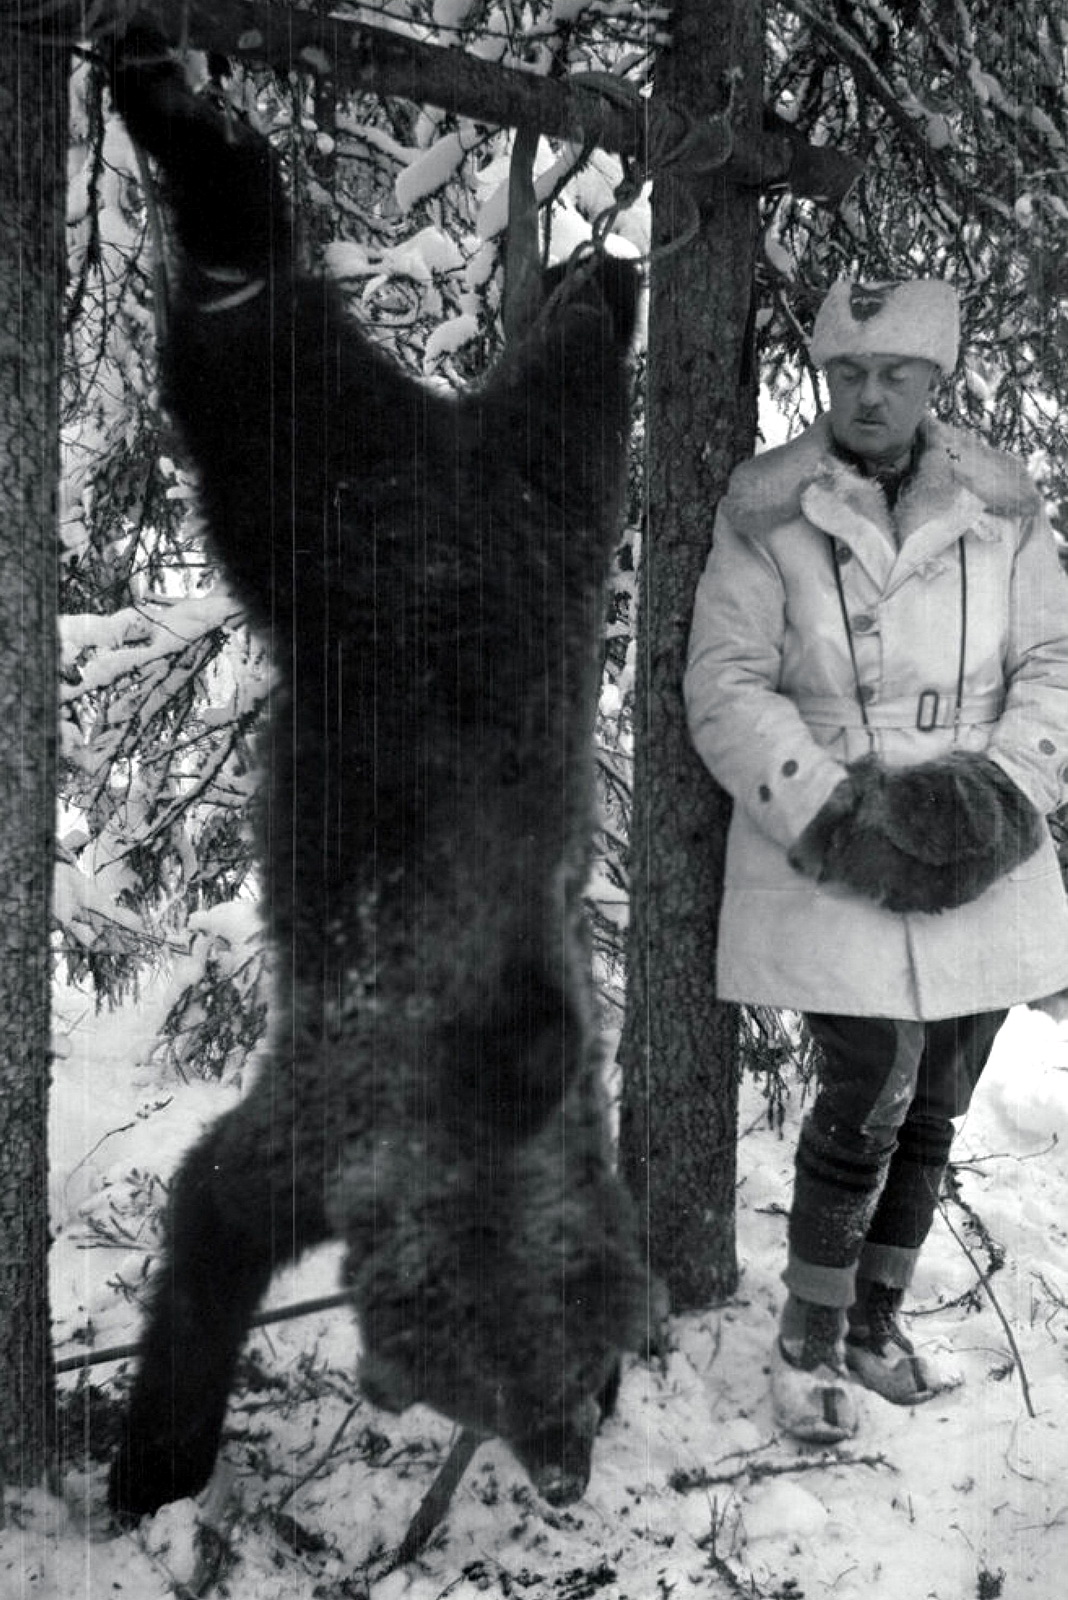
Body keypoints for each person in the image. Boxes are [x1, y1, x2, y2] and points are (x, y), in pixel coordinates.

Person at [683, 278, 1068, 1442]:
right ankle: (809, 1337)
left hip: (980, 839)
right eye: (848, 372)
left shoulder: (1003, 505)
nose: (868, 395)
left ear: (933, 379)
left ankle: (875, 1318)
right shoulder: (767, 508)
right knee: (873, 1079)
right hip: (828, 843)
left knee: (941, 1084)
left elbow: (1054, 661)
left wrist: (1003, 795)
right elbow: (726, 684)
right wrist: (835, 816)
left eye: (895, 374)